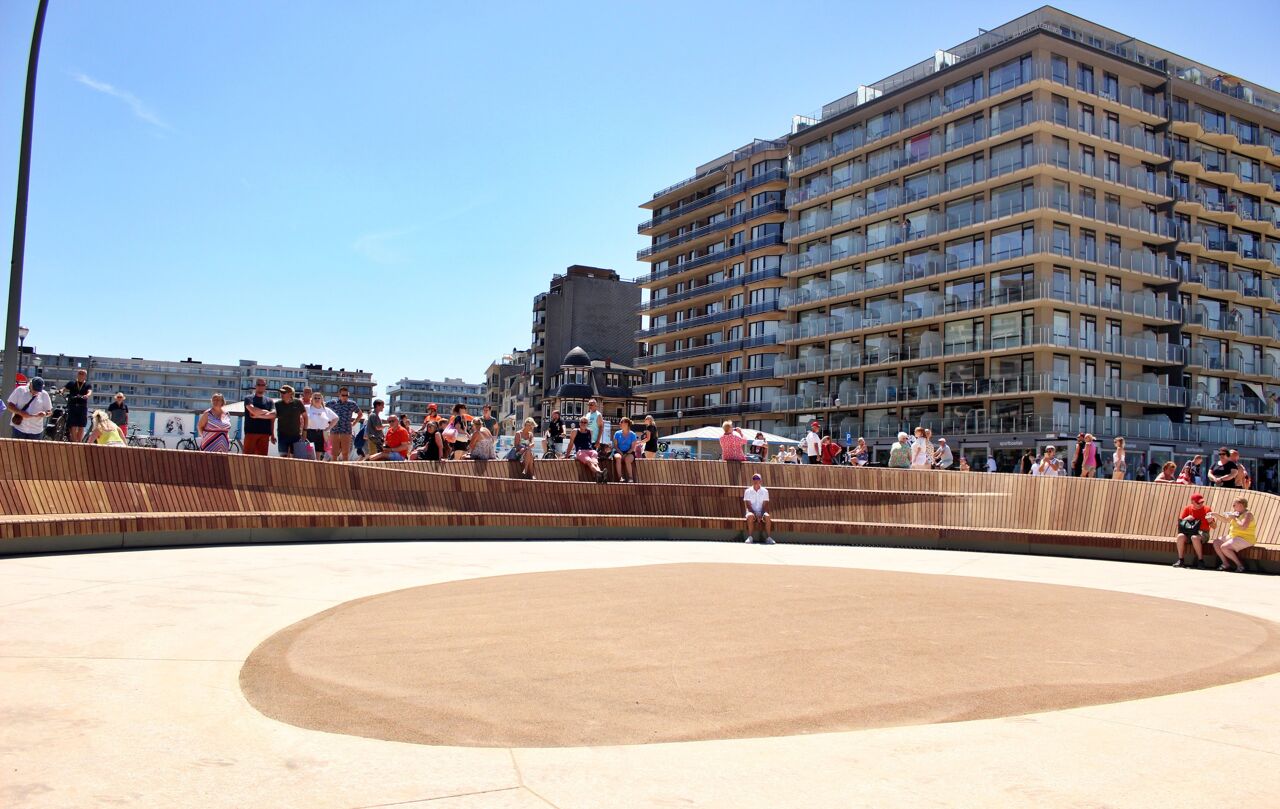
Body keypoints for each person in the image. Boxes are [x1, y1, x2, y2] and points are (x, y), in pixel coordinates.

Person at [1210, 497, 1257, 573]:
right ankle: (1225, 563)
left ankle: (1240, 565)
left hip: (1245, 538)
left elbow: (1243, 527)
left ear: (1241, 505)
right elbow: (1225, 520)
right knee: (1216, 542)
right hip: (1234, 536)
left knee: (1224, 547)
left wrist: (1235, 518)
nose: (1233, 506)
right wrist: (1215, 515)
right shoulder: (1236, 513)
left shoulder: (1248, 514)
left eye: (1234, 505)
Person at [1173, 492, 1212, 568]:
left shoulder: (1207, 509)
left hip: (1203, 533)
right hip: (1189, 532)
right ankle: (1181, 560)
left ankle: (1200, 561)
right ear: (1192, 502)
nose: (1200, 504)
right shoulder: (1188, 508)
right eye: (1198, 503)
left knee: (1194, 537)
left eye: (1202, 502)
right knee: (1180, 536)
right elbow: (1179, 524)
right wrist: (1186, 519)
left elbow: (1214, 526)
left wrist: (1210, 521)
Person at [6, 376, 51, 440]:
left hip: (36, 430)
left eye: (38, 390)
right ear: (30, 384)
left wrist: (45, 414)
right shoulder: (20, 390)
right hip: (19, 428)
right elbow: (9, 406)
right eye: (34, 389)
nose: (36, 392)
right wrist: (20, 412)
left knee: (34, 450)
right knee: (17, 449)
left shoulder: (45, 394)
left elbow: (49, 411)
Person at [325, 387, 362, 462]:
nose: (345, 397)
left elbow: (360, 414)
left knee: (345, 453)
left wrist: (354, 423)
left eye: (347, 395)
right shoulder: (332, 403)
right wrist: (328, 422)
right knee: (334, 453)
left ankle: (345, 470)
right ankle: (334, 470)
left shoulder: (352, 404)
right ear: (339, 394)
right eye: (343, 395)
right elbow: (323, 409)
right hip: (334, 430)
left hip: (346, 431)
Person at [241, 378, 276, 456]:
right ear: (255, 386)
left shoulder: (270, 401)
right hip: (251, 432)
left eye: (263, 385)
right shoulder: (249, 398)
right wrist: (266, 412)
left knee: (262, 461)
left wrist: (257, 415)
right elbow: (253, 410)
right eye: (258, 384)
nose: (260, 386)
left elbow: (273, 415)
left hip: (265, 434)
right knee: (247, 459)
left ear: (265, 386)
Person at [569, 416, 606, 483]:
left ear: (587, 424)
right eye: (582, 422)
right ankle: (600, 473)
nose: (583, 423)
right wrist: (567, 455)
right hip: (580, 451)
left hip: (590, 451)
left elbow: (590, 443)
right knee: (590, 461)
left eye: (585, 422)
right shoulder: (575, 431)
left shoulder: (590, 432)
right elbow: (571, 444)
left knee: (595, 462)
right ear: (579, 423)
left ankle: (599, 475)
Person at [273, 385, 308, 458]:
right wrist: (272, 434)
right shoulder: (277, 404)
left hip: (296, 435)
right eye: (281, 392)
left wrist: (304, 431)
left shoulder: (298, 402)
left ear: (290, 394)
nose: (281, 394)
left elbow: (305, 417)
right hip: (282, 435)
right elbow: (272, 419)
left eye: (284, 392)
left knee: (295, 457)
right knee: (283, 457)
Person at [62, 368, 93, 443]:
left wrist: (87, 395)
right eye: (80, 373)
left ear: (85, 376)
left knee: (81, 425)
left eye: (83, 374)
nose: (81, 375)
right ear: (77, 374)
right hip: (72, 405)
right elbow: (64, 388)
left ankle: (79, 442)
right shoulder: (72, 383)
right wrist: (61, 391)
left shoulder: (87, 384)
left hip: (82, 406)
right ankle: (74, 442)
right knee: (73, 424)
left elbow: (90, 391)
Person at [743, 473, 774, 544]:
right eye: (754, 479)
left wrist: (761, 514)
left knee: (768, 516)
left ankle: (769, 538)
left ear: (760, 481)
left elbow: (765, 505)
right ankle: (750, 537)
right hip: (751, 512)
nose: (755, 480)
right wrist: (755, 514)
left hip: (761, 511)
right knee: (750, 516)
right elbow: (748, 506)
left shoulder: (765, 491)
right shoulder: (747, 491)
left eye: (757, 479)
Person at [304, 393, 337, 459]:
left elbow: (336, 418)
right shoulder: (307, 407)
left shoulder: (326, 410)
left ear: (322, 400)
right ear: (312, 399)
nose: (317, 399)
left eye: (319, 398)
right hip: (309, 433)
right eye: (315, 398)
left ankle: (317, 468)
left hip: (321, 434)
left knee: (318, 456)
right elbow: (301, 417)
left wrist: (328, 428)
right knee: (309, 455)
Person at [612, 417, 638, 482]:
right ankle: (620, 477)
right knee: (618, 458)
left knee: (627, 459)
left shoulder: (633, 434)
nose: (620, 424)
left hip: (629, 452)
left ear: (627, 424)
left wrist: (626, 454)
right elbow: (615, 446)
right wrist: (621, 453)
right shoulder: (617, 433)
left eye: (621, 422)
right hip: (618, 451)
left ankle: (630, 478)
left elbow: (633, 448)